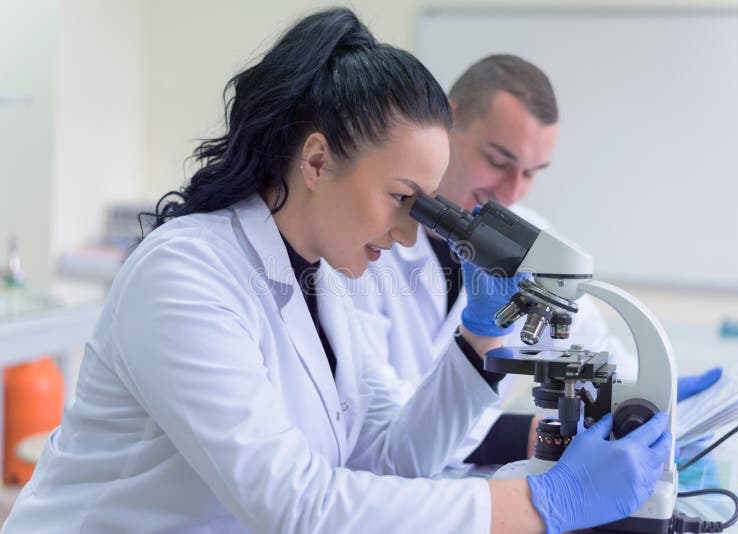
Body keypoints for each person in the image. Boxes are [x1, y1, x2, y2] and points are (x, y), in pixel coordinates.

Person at [2, 10, 672, 534]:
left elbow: (387, 456)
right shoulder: (184, 277)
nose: (412, 231)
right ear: (317, 162)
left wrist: (481, 344)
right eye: (402, 199)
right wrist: (546, 501)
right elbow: (298, 506)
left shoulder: (322, 282)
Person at [352, 54, 721, 465]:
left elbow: (591, 349)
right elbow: (383, 425)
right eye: (498, 161)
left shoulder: (531, 239)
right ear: (447, 123)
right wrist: (528, 436)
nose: (511, 193)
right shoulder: (362, 244)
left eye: (530, 173)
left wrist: (651, 390)